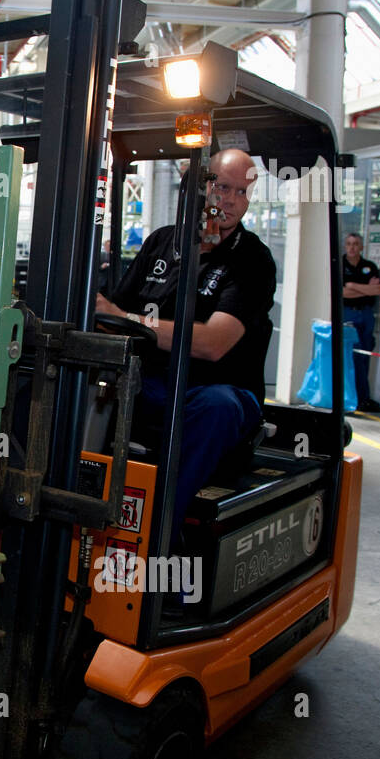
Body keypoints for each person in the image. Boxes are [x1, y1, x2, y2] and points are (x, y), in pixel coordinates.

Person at [96, 148, 276, 536]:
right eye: (222, 187)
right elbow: (110, 317)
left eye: (242, 193)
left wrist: (128, 320)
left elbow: (212, 343)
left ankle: (160, 533)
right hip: (152, 384)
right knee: (78, 381)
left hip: (214, 390)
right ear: (198, 186)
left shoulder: (252, 261)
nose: (230, 200)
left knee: (219, 406)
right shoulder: (163, 243)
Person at [342, 232, 380, 411]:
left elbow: (377, 291)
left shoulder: (369, 266)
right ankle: (347, 397)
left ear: (362, 247)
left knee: (364, 354)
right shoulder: (340, 265)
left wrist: (352, 286)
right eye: (349, 244)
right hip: (347, 314)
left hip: (365, 315)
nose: (352, 247)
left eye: (356, 244)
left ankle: (362, 398)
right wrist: (365, 289)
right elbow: (342, 293)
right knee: (348, 357)